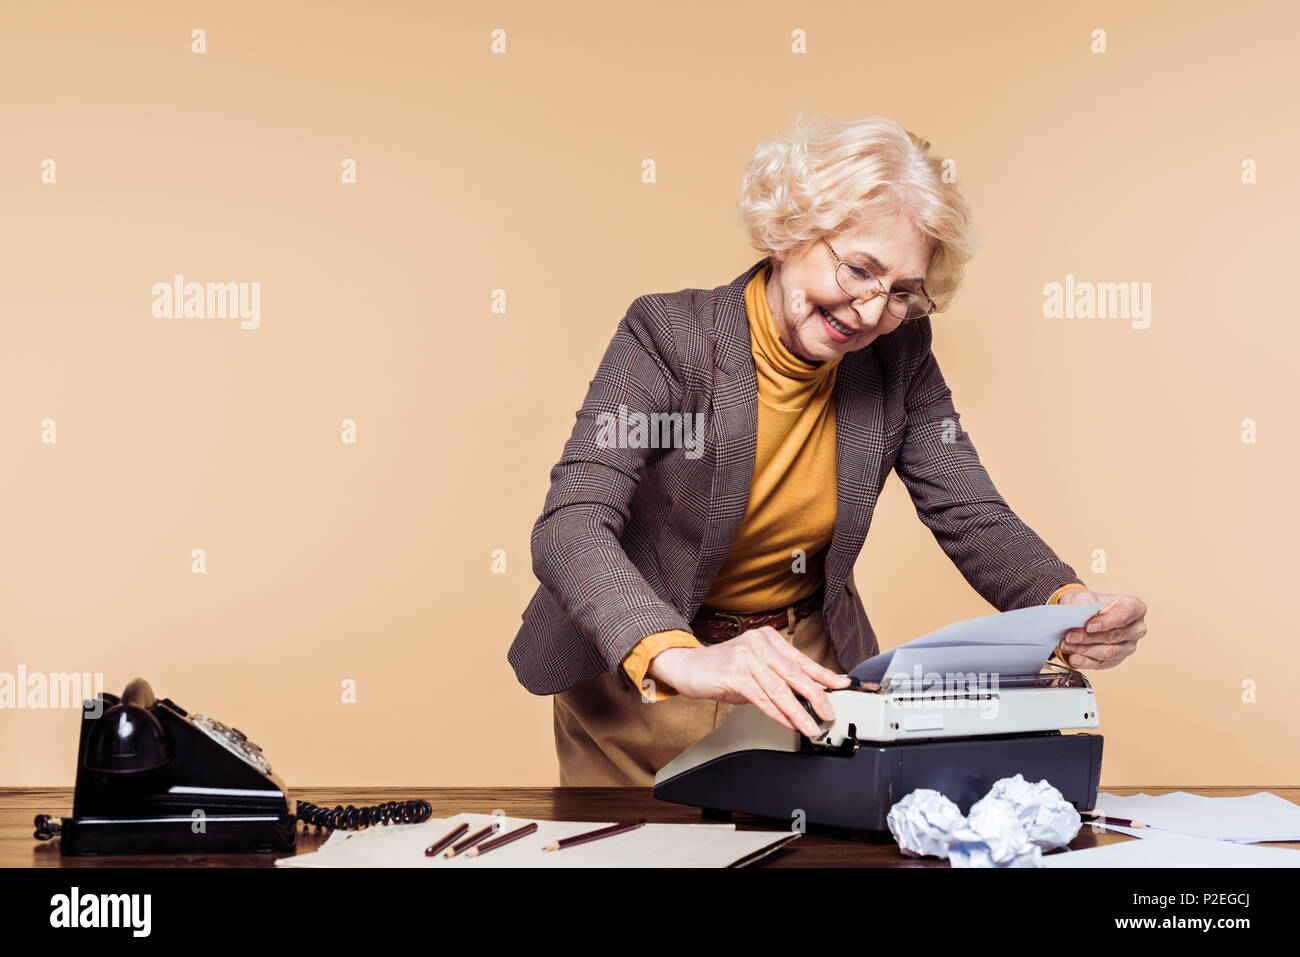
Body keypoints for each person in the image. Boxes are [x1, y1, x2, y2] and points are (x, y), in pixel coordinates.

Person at [507, 112, 1149, 786]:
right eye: (859, 270)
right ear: (790, 231)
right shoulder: (668, 335)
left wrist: (1069, 602)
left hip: (803, 671)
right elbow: (571, 523)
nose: (871, 313)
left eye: (902, 291)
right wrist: (681, 657)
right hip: (643, 672)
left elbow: (970, 512)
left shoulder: (897, 356)